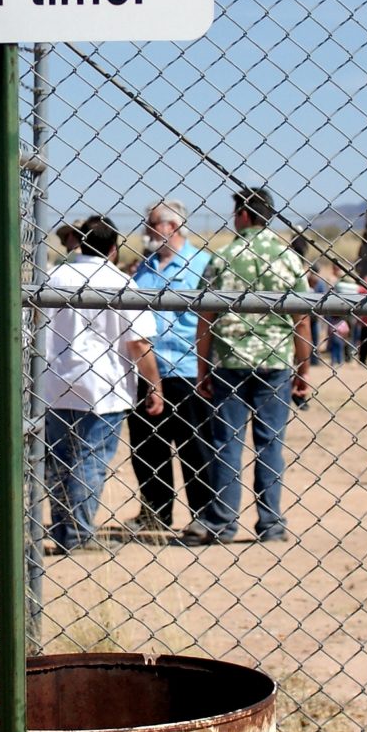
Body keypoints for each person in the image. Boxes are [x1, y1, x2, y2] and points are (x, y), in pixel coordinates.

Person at [186, 187, 310, 546]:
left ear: (243, 214)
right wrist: (303, 370)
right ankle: (271, 523)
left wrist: (202, 369)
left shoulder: (223, 257)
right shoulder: (288, 259)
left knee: (227, 443)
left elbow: (205, 318)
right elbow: (301, 319)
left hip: (229, 361)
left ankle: (222, 520)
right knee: (270, 443)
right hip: (275, 361)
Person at [42, 220, 163, 551]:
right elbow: (137, 343)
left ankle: (64, 528)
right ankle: (78, 533)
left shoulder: (55, 277)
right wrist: (154, 385)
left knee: (60, 461)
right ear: (113, 249)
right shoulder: (121, 282)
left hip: (55, 382)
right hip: (105, 387)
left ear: (79, 244)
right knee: (90, 460)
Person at [126, 200, 212, 534]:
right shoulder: (145, 267)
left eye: (150, 224)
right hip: (148, 371)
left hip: (188, 369)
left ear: (170, 227)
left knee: (195, 446)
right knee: (147, 446)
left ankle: (203, 514)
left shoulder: (202, 264)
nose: (146, 231)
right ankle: (155, 513)